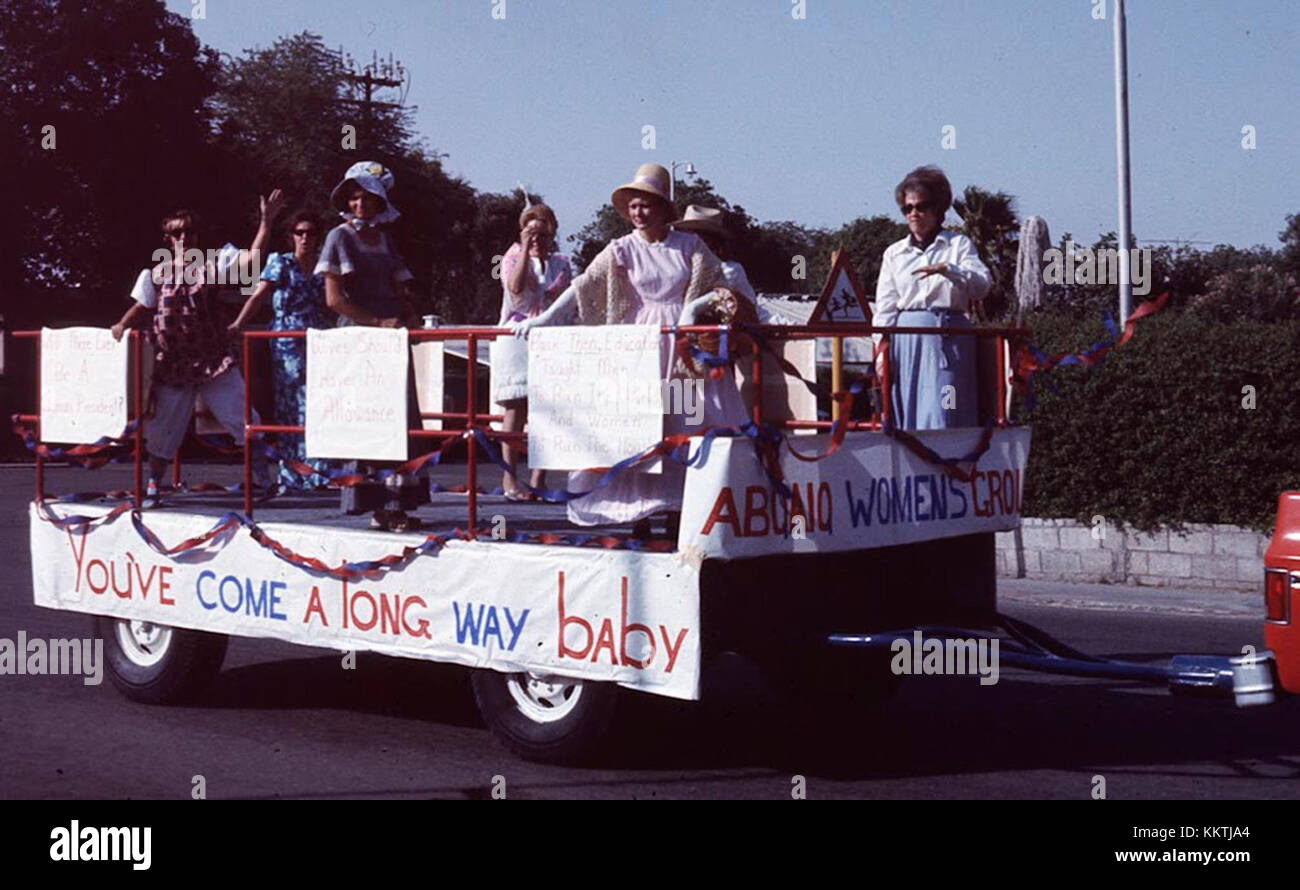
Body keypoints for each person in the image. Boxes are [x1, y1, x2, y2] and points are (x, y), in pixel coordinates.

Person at [512, 163, 747, 536]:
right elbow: (585, 284)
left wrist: (693, 309)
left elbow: (721, 286)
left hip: (682, 346)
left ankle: (679, 509)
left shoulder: (689, 245)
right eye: (634, 206)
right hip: (638, 347)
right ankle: (637, 513)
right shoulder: (621, 247)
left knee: (682, 419)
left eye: (646, 205)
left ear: (663, 208)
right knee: (638, 424)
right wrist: (545, 318)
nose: (638, 212)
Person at [110, 193, 282, 504]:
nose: (184, 238)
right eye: (177, 233)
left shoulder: (214, 266)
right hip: (173, 364)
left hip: (213, 360)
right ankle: (153, 486)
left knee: (243, 418)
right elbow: (141, 306)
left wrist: (266, 223)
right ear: (168, 239)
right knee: (163, 430)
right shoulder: (156, 274)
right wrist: (121, 324)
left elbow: (252, 261)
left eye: (189, 232)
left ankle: (264, 480)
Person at [315, 161, 424, 530]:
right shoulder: (339, 237)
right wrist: (377, 323)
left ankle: (398, 504)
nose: (359, 204)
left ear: (379, 201)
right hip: (360, 338)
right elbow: (334, 298)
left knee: (401, 419)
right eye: (354, 198)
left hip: (391, 337)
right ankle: (378, 506)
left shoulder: (385, 240)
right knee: (370, 420)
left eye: (367, 197)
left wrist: (411, 316)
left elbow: (398, 285)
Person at [873, 165, 990, 430]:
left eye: (921, 206)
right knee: (906, 410)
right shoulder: (894, 253)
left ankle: (951, 454)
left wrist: (949, 270)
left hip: (948, 338)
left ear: (937, 208)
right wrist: (881, 355)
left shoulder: (958, 245)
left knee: (945, 409)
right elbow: (885, 308)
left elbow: (981, 286)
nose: (913, 214)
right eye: (907, 208)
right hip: (907, 342)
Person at [229, 209, 335, 490]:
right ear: (291, 237)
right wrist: (239, 323)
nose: (305, 238)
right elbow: (259, 295)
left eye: (311, 233)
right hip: (288, 342)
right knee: (292, 406)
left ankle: (319, 471)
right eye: (299, 233)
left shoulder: (324, 267)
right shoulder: (281, 263)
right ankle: (294, 472)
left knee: (318, 404)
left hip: (319, 341)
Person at [495, 202, 572, 499]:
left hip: (550, 337)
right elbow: (515, 289)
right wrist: (525, 251)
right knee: (515, 408)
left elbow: (564, 301)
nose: (536, 239)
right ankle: (510, 478)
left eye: (542, 234)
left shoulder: (561, 263)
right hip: (517, 335)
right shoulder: (512, 257)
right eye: (530, 233)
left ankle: (539, 478)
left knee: (548, 410)